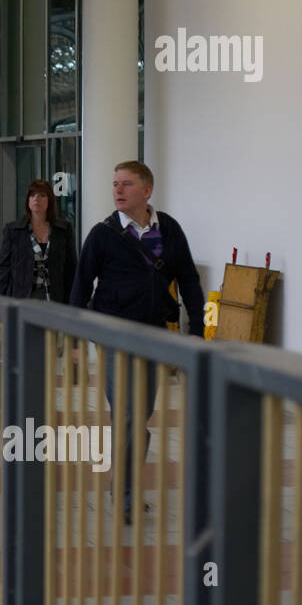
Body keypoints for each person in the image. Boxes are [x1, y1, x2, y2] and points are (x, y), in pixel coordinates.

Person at [69, 160, 204, 524]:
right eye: (115, 183)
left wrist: (196, 330)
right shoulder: (103, 233)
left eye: (126, 184)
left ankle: (123, 481)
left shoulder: (169, 230)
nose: (117, 190)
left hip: (155, 333)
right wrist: (75, 336)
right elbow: (82, 284)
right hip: (114, 333)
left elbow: (189, 280)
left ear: (147, 191)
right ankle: (127, 494)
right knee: (127, 413)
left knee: (138, 415)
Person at [0, 178, 76, 302]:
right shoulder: (13, 231)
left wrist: (74, 302)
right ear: (28, 200)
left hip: (55, 300)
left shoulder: (63, 230)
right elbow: (4, 270)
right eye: (32, 195)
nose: (36, 198)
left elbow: (71, 269)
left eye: (42, 195)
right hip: (22, 299)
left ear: (49, 200)